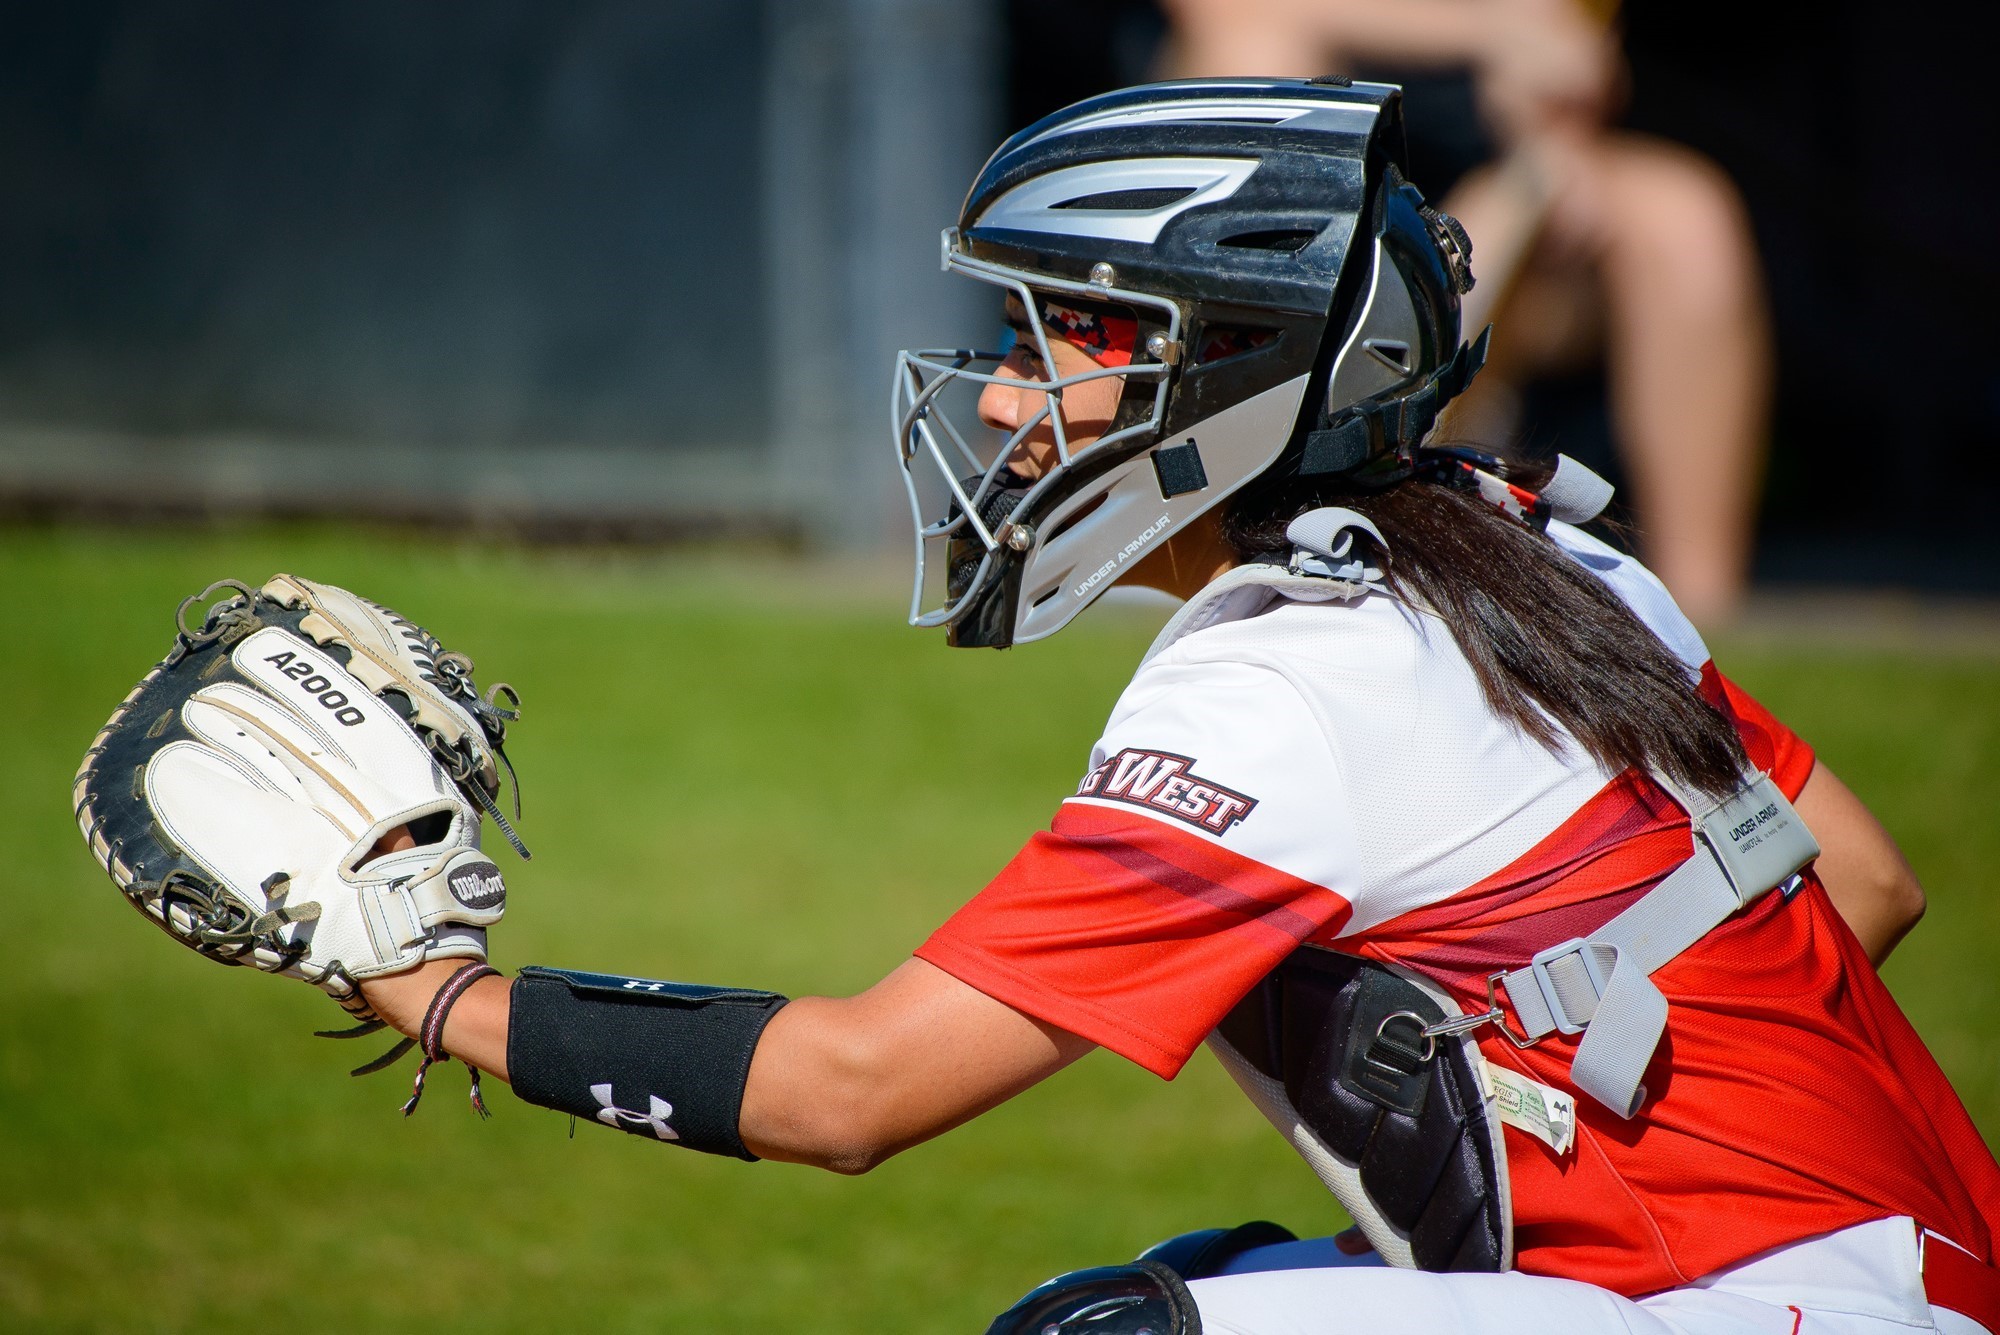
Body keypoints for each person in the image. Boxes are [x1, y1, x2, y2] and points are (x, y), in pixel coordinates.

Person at [358, 81, 1996, 1334]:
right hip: (1907, 1278)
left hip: (1772, 1308)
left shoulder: (1281, 681)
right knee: (1214, 1279)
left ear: (1234, 374)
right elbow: (1864, 882)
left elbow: (850, 1093)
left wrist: (430, 990)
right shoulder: (1533, 540)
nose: (1001, 393)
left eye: (1059, 336)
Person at [1156, 0, 1773, 628]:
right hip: (1327, 189)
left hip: (1504, 161)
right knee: (1256, 54)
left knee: (1687, 223)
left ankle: (1700, 618)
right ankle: (1286, 533)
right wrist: (1489, 33)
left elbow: (1575, 50)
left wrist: (1552, 141)